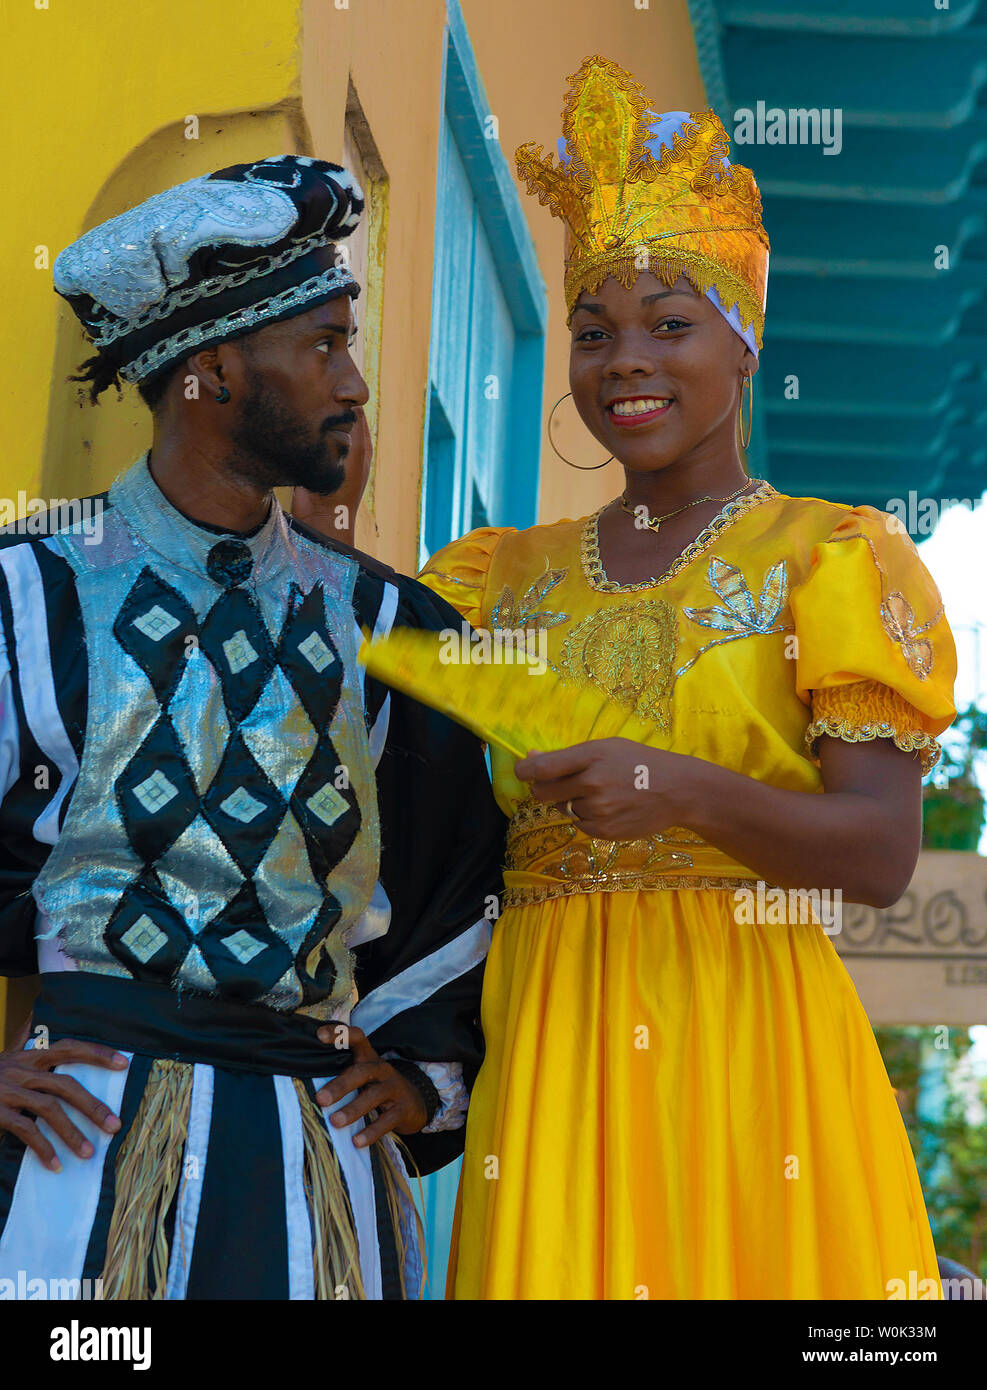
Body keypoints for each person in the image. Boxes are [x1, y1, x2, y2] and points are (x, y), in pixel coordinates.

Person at [416, 56, 957, 1299]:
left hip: (744, 1030)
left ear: (745, 338)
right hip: (549, 1031)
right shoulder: (500, 579)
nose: (624, 364)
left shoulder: (832, 557)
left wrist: (679, 788)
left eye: (671, 324)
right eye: (595, 332)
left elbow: (878, 857)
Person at [0, 155, 505, 1300]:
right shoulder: (27, 594)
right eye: (324, 345)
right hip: (74, 1155)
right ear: (214, 371)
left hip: (316, 1153)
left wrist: (426, 1077)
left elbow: (465, 873)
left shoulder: (393, 628)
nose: (356, 383)